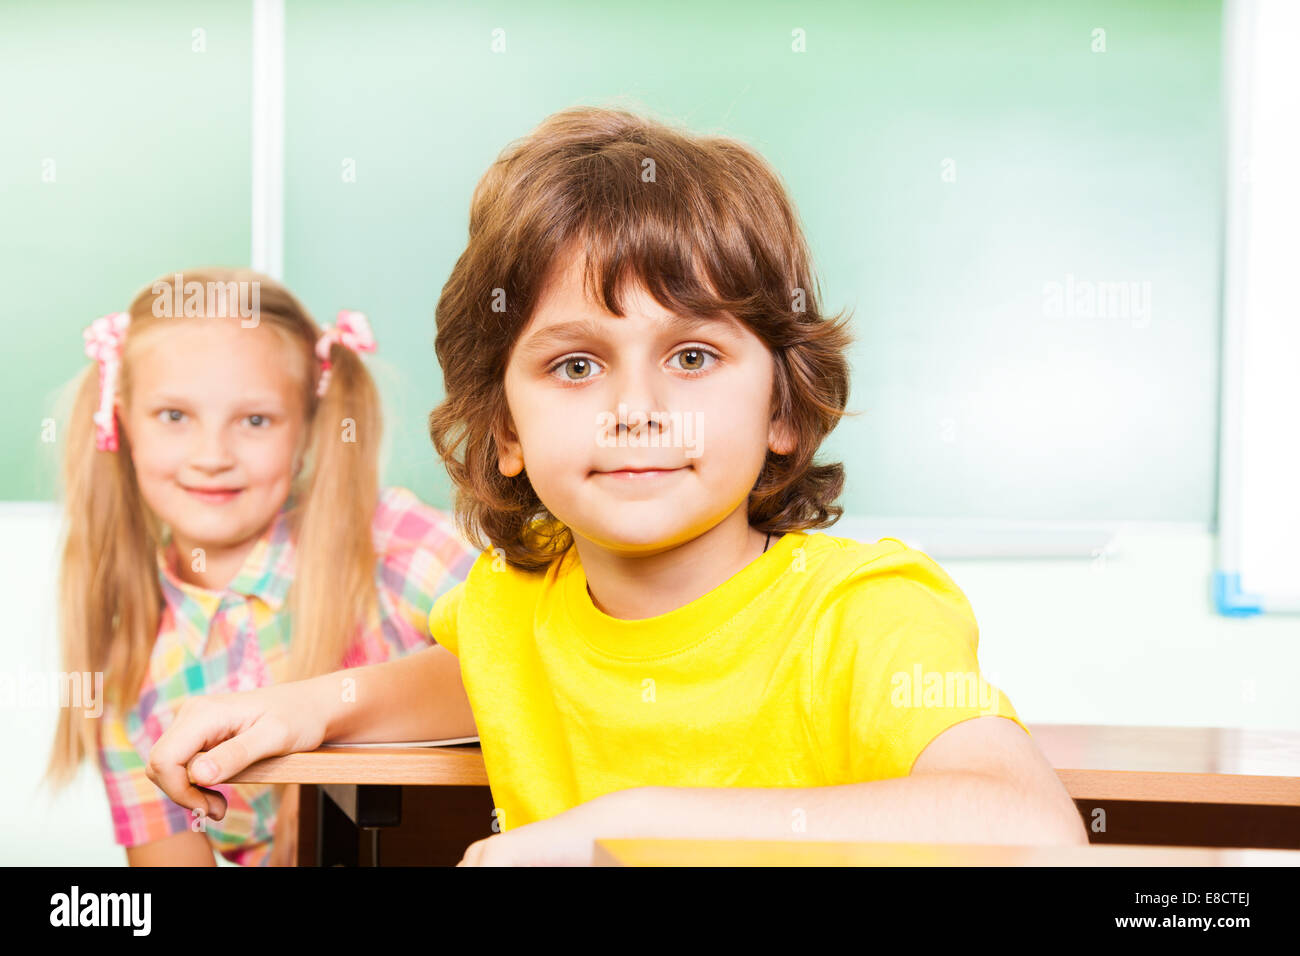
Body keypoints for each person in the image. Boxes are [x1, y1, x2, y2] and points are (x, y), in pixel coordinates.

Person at [147, 109, 1087, 866]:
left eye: (691, 354)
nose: (638, 409)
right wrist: (313, 703)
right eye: (575, 367)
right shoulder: (516, 606)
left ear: (783, 410)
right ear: (506, 430)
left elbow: (1029, 828)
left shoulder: (861, 613)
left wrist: (627, 828)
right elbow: (479, 677)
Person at [44, 267, 477, 865]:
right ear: (121, 421)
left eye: (254, 421)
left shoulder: (395, 545)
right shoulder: (127, 675)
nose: (213, 457)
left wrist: (331, 717)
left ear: (305, 428)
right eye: (174, 416)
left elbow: (528, 655)